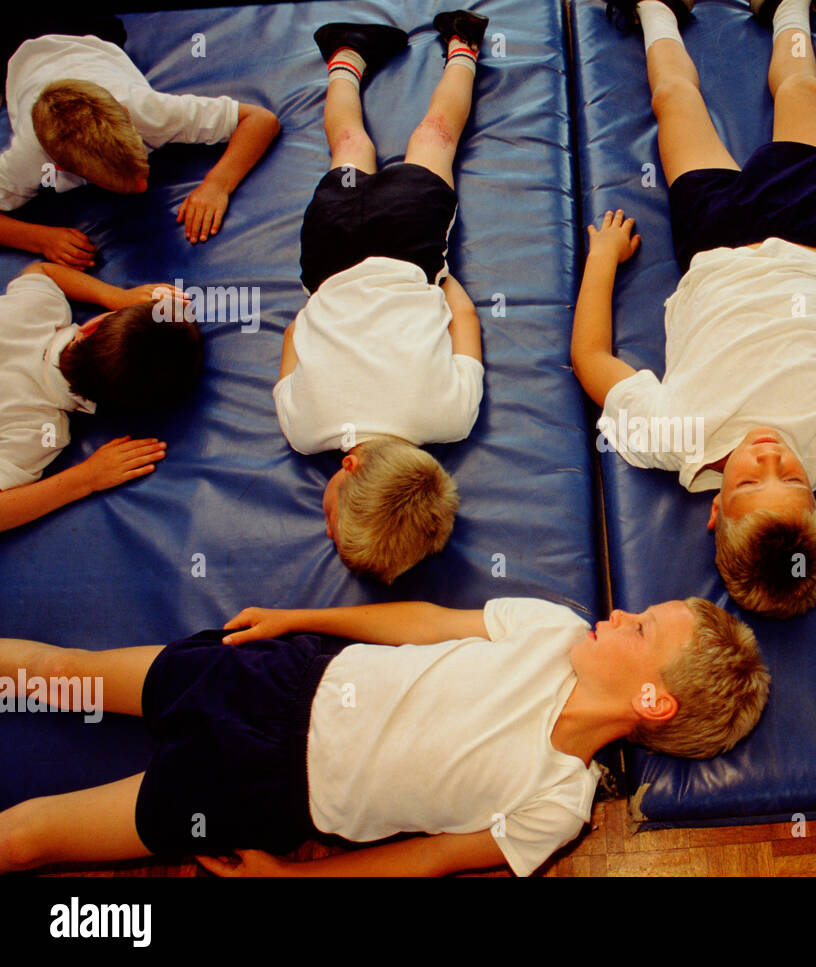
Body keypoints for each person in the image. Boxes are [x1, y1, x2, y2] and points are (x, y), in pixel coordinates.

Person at [0, 594, 769, 876]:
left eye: (641, 628)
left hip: (263, 789)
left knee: (31, 835)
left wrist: (294, 883)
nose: (618, 615)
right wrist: (302, 619)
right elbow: (425, 623)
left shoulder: (556, 804)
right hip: (277, 679)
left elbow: (430, 856)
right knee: (58, 669)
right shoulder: (552, 627)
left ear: (651, 700)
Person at [572, 0, 816, 619]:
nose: (770, 459)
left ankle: (655, 11)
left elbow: (591, 358)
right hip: (803, 234)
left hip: (713, 238)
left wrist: (602, 259)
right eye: (794, 480)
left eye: (750, 484)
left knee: (674, 103)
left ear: (714, 509)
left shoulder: (673, 439)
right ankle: (789, 12)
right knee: (805, 90)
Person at [275, 15, 489, 583]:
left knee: (433, 139)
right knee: (347, 148)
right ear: (348, 465)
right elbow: (295, 335)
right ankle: (345, 55)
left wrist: (438, 275)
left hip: (407, 246)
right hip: (330, 256)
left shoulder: (450, 419)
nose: (325, 524)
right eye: (332, 515)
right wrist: (320, 305)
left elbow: (464, 318)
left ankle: (463, 44)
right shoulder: (302, 430)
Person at [0, 29, 280, 264]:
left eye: (141, 165)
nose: (141, 186)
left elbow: (260, 119)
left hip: (89, 34)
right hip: (16, 55)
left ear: (126, 115)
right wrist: (38, 239)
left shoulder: (146, 110)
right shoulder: (29, 158)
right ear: (59, 167)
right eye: (115, 183)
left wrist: (217, 185)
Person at [0, 262, 197, 531]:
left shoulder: (38, 309)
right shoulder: (39, 430)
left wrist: (116, 296)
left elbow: (41, 270)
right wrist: (85, 479)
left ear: (93, 325)